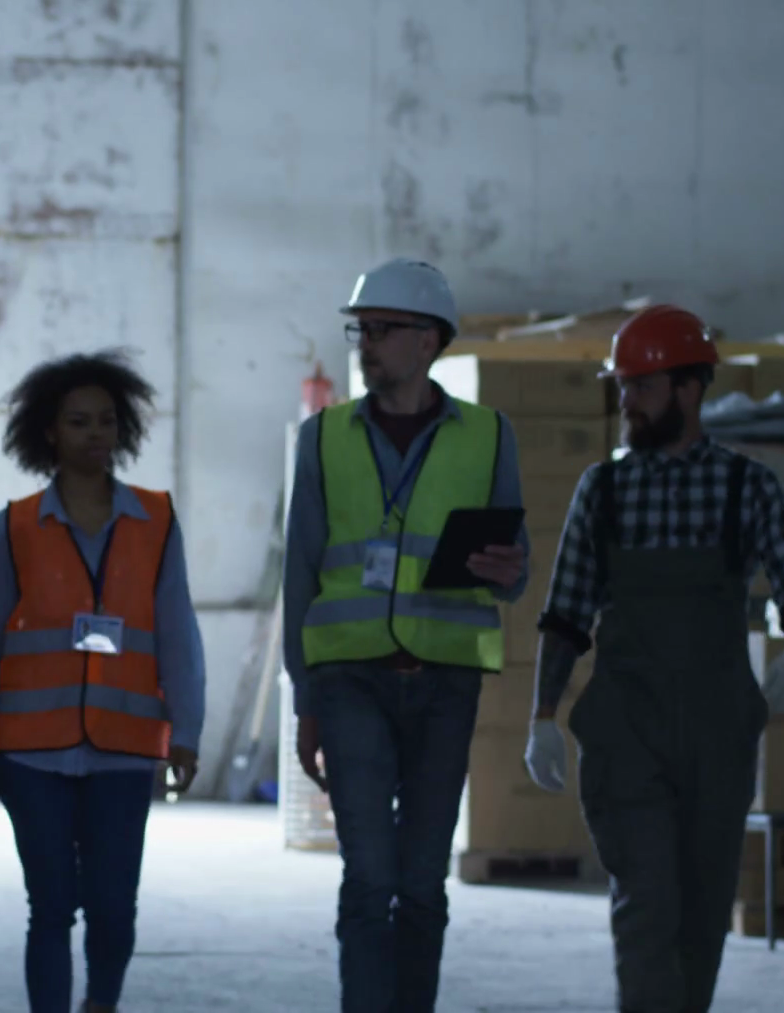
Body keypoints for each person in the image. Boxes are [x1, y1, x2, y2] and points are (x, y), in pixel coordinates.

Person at [523, 304, 784, 1012]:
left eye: (642, 387)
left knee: (702, 912)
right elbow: (565, 615)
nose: (625, 401)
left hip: (718, 737)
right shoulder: (602, 492)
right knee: (647, 905)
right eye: (621, 386)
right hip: (628, 731)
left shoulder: (747, 488)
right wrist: (542, 713)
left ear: (691, 388)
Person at [282, 258, 531, 1013]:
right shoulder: (322, 438)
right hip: (350, 679)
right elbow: (301, 571)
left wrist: (508, 569)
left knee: (422, 882)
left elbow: (514, 572)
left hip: (446, 680)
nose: (366, 344)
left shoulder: (489, 436)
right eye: (361, 329)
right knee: (369, 878)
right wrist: (305, 697)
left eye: (382, 330)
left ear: (428, 341)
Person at [0, 349, 206, 1013]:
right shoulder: (16, 525)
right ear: (49, 431)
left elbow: (177, 629)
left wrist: (185, 729)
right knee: (49, 906)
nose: (94, 434)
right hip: (30, 750)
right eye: (78, 422)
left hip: (125, 747)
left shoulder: (155, 520)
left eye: (105, 421)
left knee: (111, 905)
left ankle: (101, 1004)